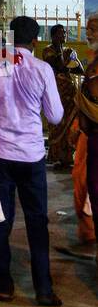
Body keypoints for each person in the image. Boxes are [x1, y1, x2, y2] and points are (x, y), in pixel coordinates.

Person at [0, 15, 64, 306]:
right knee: (37, 223)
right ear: (35, 41)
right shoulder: (43, 68)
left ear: (10, 38)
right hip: (32, 156)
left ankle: (3, 285)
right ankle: (44, 290)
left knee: (0, 220)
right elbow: (56, 115)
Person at [72, 14, 98, 254]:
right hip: (88, 135)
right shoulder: (92, 61)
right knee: (84, 183)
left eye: (92, 29)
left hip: (94, 135)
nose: (88, 33)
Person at [42, 24, 82, 169]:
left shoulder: (70, 51)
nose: (63, 35)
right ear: (53, 36)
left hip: (69, 94)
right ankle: (57, 156)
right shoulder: (47, 51)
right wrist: (61, 51)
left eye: (64, 33)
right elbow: (58, 66)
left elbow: (79, 69)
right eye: (60, 33)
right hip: (55, 93)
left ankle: (68, 157)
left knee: (70, 124)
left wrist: (73, 60)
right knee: (57, 123)